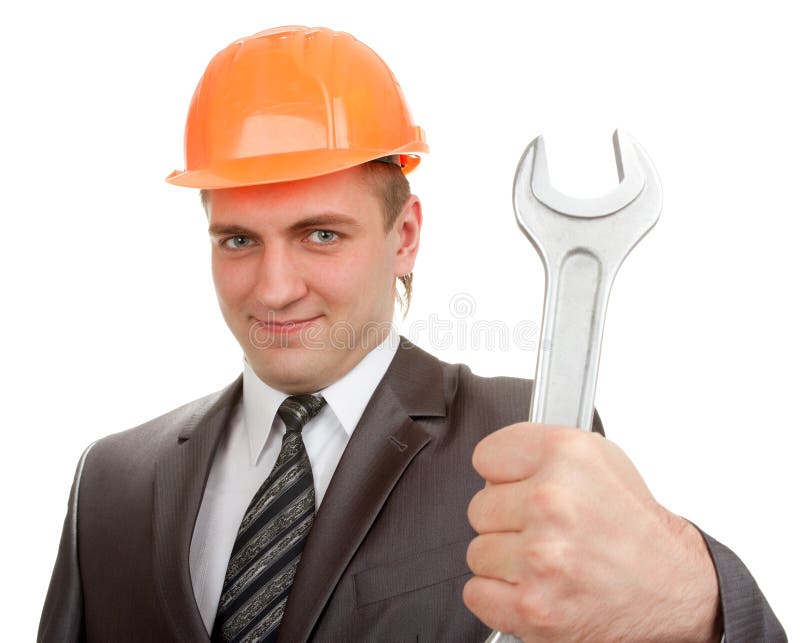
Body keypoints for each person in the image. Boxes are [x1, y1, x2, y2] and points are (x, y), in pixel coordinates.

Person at [38, 25, 785, 643]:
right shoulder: (111, 478)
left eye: (321, 234)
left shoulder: (530, 435)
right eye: (238, 241)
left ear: (405, 237)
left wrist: (694, 603)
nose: (273, 286)